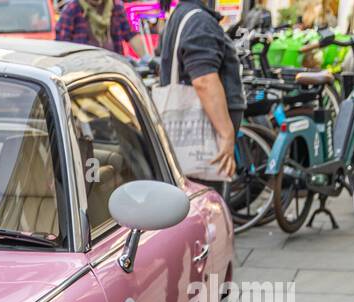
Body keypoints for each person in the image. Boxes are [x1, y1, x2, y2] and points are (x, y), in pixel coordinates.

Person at [158, 0, 243, 183]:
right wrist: (226, 132)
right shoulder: (199, 21)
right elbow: (204, 80)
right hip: (204, 140)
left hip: (194, 138)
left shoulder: (183, 15)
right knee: (205, 203)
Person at [54, 0, 148, 56]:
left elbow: (131, 36)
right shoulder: (73, 9)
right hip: (83, 69)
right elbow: (62, 45)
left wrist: (147, 59)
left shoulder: (115, 6)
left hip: (114, 66)